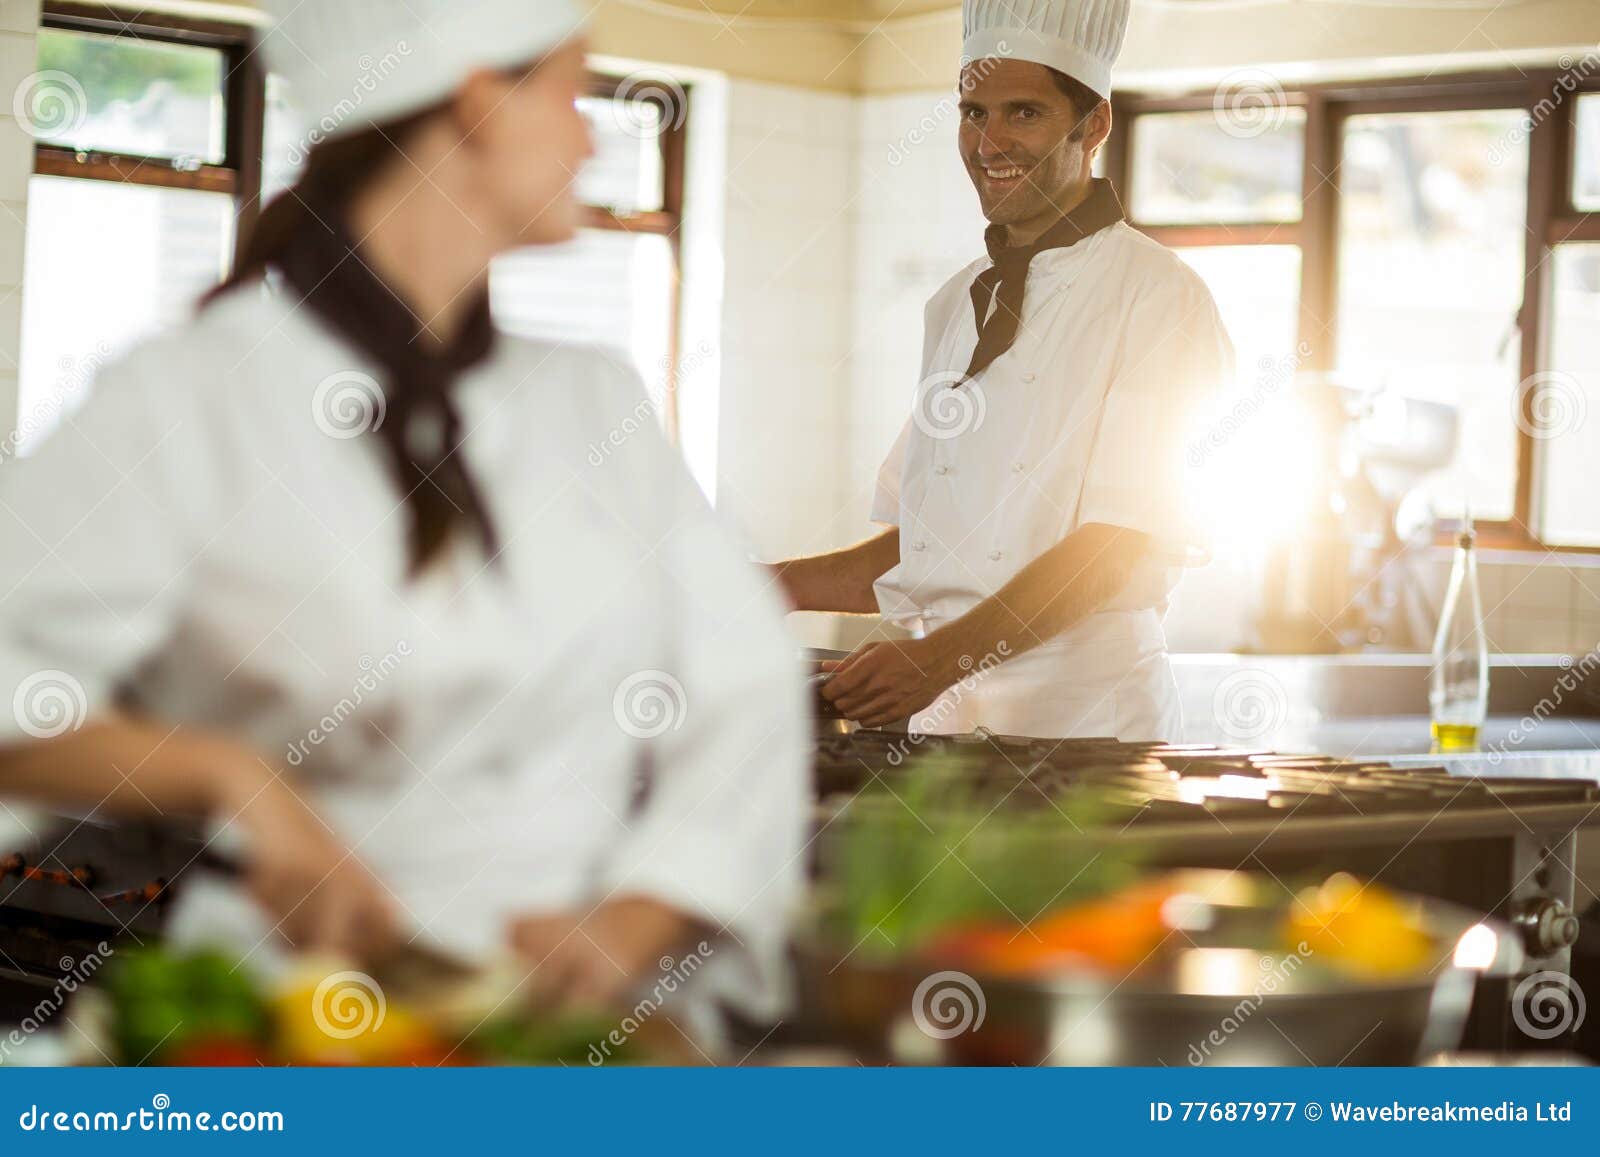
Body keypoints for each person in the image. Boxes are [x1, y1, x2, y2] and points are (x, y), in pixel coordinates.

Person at [0, 0, 807, 1019]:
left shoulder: (594, 400)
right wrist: (226, 772)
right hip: (298, 1017)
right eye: (570, 91)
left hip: (585, 1025)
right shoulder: (188, 395)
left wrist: (634, 919)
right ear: (477, 101)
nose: (589, 134)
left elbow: (743, 683)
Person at [774, 0, 1234, 741]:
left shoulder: (1160, 298)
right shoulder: (956, 302)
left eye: (1023, 113)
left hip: (1087, 729)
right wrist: (772, 584)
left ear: (1094, 125)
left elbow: (1118, 545)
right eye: (972, 111)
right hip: (945, 725)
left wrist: (937, 659)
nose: (988, 142)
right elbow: (930, 540)